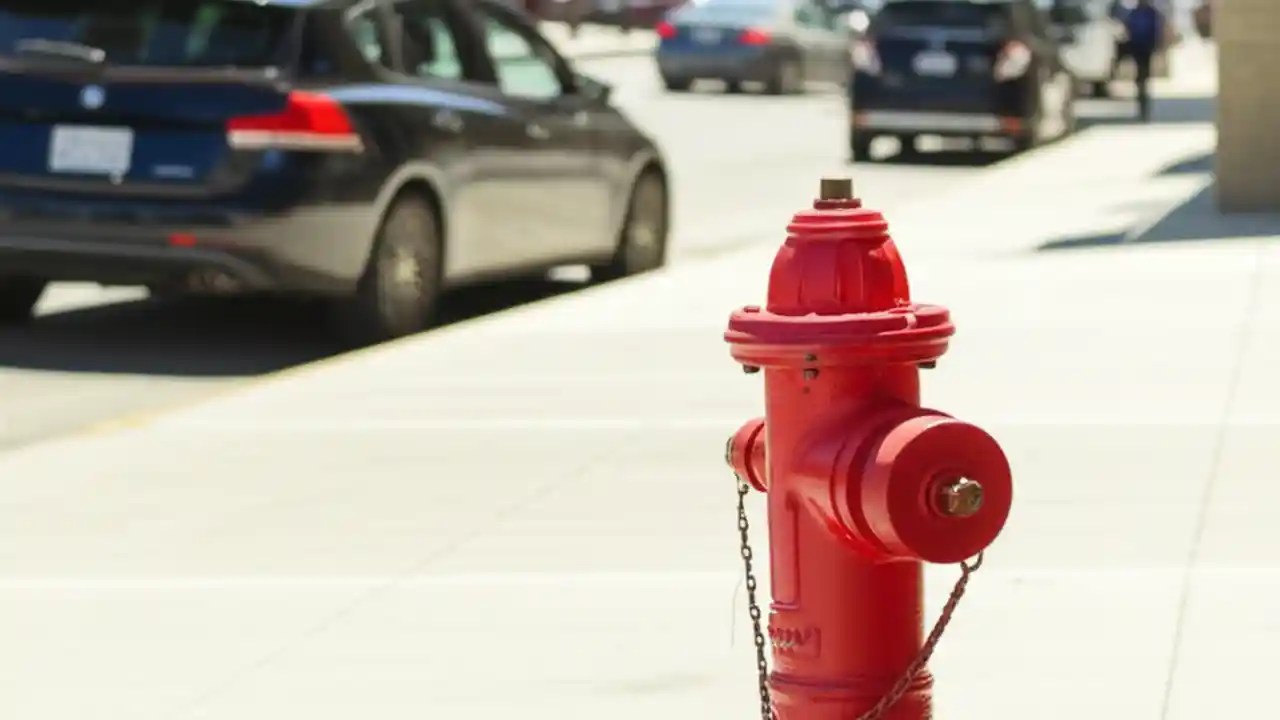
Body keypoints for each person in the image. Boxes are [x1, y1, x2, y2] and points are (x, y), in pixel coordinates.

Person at [1123, 0, 1165, 122]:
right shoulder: (1137, 12)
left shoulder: (1150, 13)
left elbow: (1157, 30)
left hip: (1145, 48)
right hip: (1138, 48)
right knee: (1141, 75)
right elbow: (1129, 29)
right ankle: (1142, 99)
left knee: (1143, 75)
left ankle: (1143, 101)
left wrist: (1157, 45)